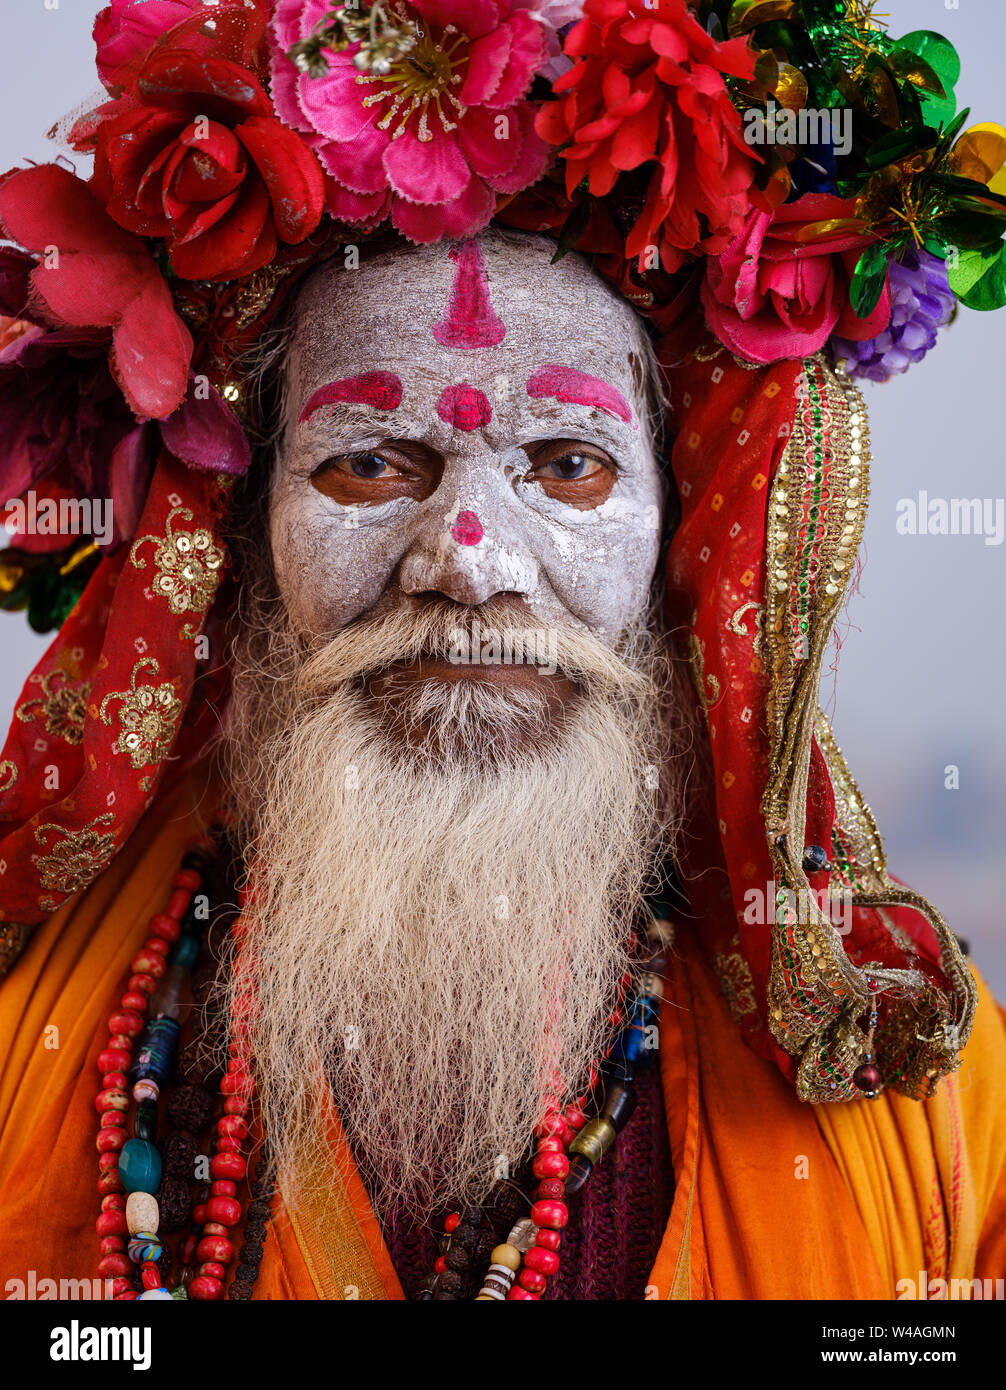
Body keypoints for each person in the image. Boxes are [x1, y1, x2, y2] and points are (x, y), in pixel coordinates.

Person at [0, 0, 1004, 1303]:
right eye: (366, 461)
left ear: (680, 543)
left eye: (569, 464)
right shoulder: (30, 1030)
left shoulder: (917, 1078)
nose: (468, 560)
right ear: (240, 541)